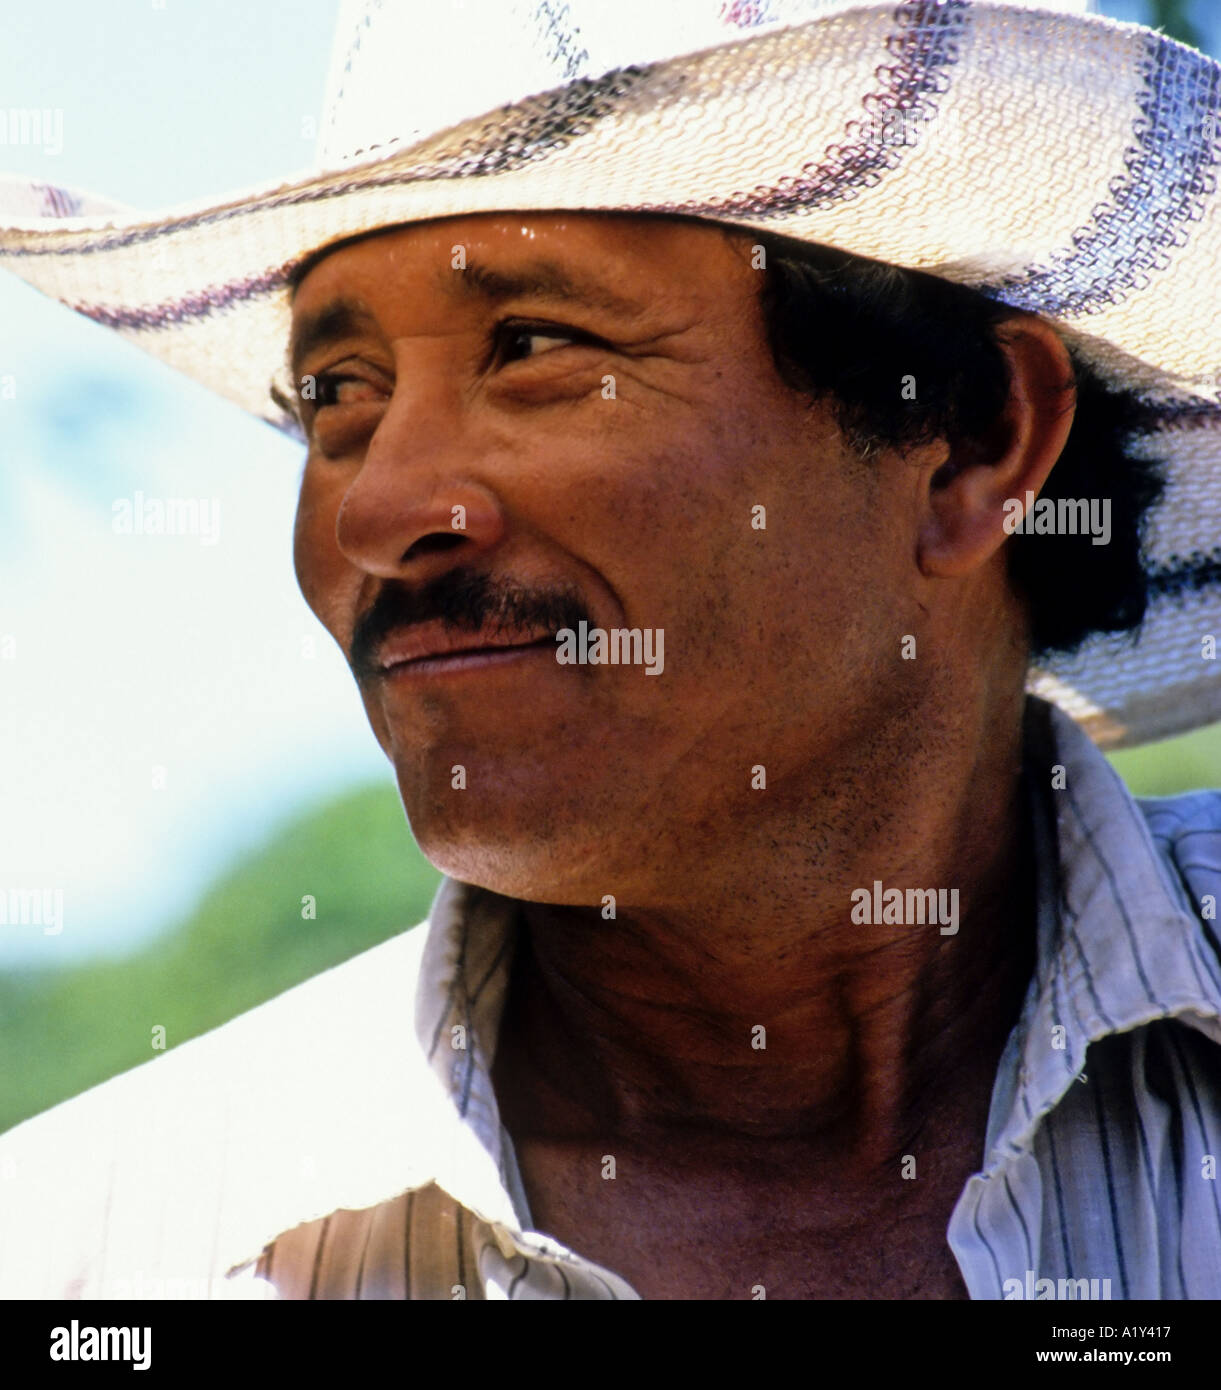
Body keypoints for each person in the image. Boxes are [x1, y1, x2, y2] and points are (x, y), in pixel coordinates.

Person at [0, 0, 1218, 1301]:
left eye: (533, 348)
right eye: (339, 392)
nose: (374, 505)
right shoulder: (95, 1262)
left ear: (970, 445)